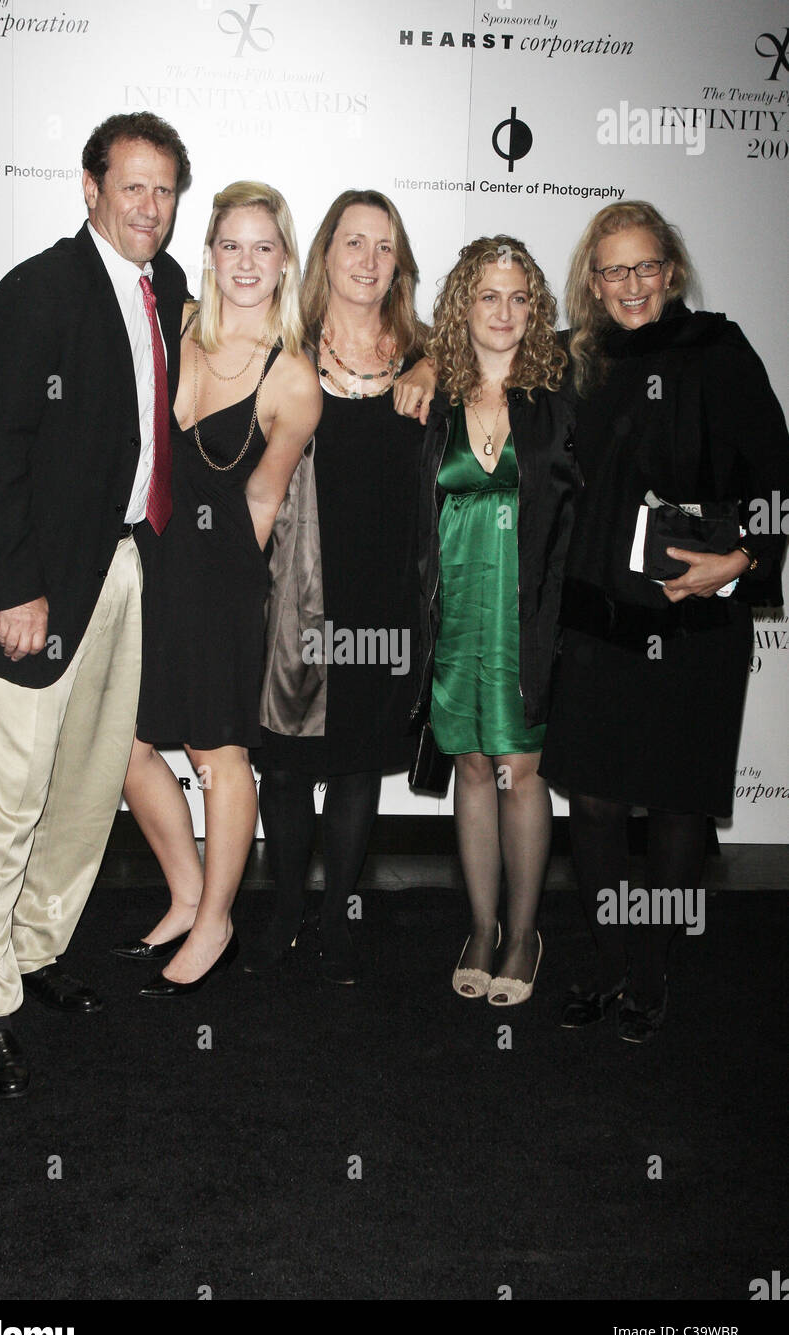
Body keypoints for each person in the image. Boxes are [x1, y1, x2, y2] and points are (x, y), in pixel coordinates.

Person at [0, 112, 191, 1095]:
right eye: (131, 185)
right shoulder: (37, 291)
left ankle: (37, 948)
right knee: (6, 802)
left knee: (88, 785)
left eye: (164, 190)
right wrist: (16, 585)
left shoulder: (167, 288)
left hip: (126, 568)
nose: (149, 206)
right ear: (89, 187)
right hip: (37, 582)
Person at [539, 200, 789, 1041]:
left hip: (696, 624)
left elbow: (776, 476)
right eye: (614, 269)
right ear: (593, 280)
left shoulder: (717, 350)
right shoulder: (578, 363)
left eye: (647, 267)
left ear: (672, 271)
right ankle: (610, 961)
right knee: (600, 807)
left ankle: (652, 972)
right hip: (598, 620)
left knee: (679, 807)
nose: (632, 284)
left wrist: (745, 561)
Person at [114, 182, 321, 996]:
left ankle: (216, 923)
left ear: (284, 262)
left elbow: (264, 500)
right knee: (125, 749)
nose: (245, 262)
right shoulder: (174, 325)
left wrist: (232, 601)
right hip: (145, 560)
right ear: (207, 251)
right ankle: (188, 891)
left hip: (222, 578)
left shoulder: (291, 377)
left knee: (217, 753)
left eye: (262, 247)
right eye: (230, 244)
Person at [243, 190, 426, 985]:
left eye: (384, 248)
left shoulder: (426, 355)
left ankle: (337, 916)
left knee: (357, 766)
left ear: (400, 265)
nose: (368, 261)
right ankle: (286, 909)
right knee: (283, 765)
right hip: (295, 593)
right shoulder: (284, 349)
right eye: (354, 243)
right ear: (324, 254)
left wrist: (431, 363)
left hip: (387, 595)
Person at [413, 236, 577, 1005]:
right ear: (461, 306)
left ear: (537, 309)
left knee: (521, 769)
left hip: (528, 610)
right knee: (473, 766)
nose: (504, 312)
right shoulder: (434, 394)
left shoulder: (564, 391)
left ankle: (522, 931)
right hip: (454, 612)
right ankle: (480, 926)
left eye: (520, 298)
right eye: (488, 296)